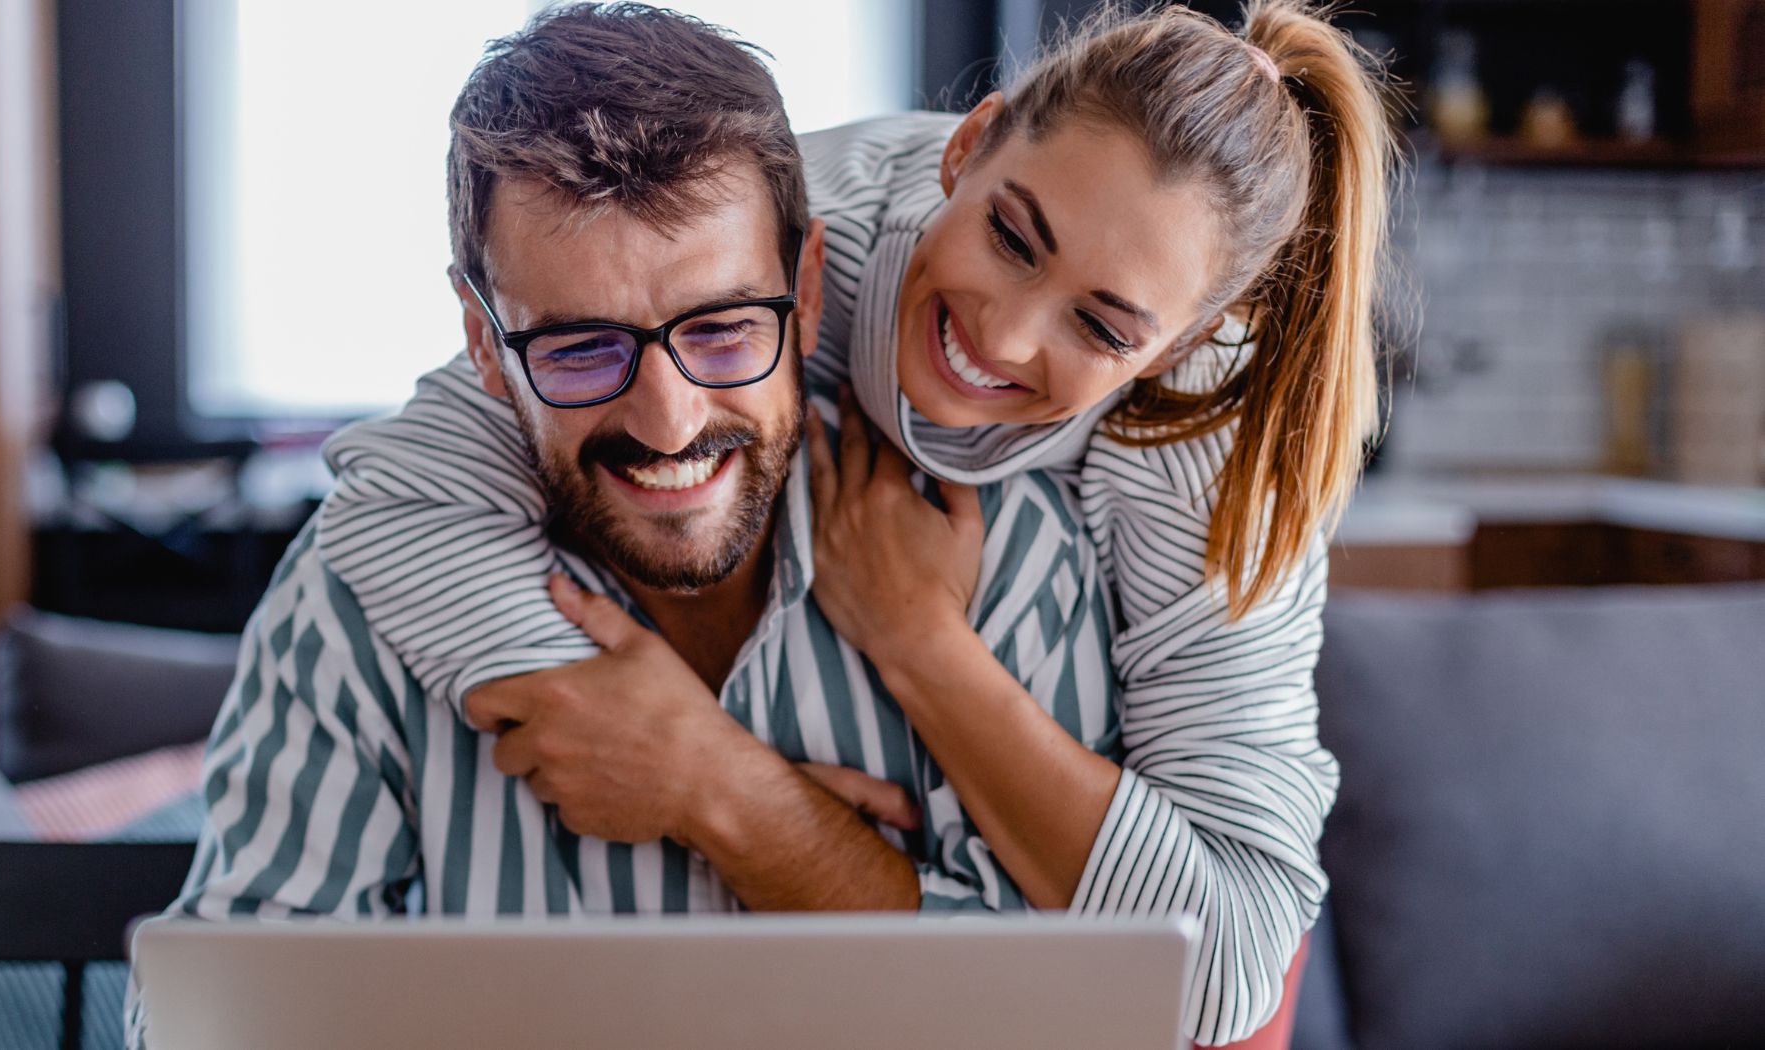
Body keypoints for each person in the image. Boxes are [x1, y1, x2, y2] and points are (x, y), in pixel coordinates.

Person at [330, 1, 1392, 1045]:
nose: (1004, 334)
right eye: (1012, 239)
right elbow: (389, 495)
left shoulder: (1201, 429)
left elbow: (1232, 965)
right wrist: (683, 750)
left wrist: (916, 644)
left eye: (1101, 325)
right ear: (969, 146)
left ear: (1172, 349)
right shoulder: (783, 228)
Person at [125, 5, 1147, 1047]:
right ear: (484, 342)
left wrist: (729, 794)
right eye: (580, 349)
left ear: (804, 283)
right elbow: (216, 1025)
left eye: (722, 329)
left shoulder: (1012, 561)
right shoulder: (354, 604)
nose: (669, 422)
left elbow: (1068, 1025)